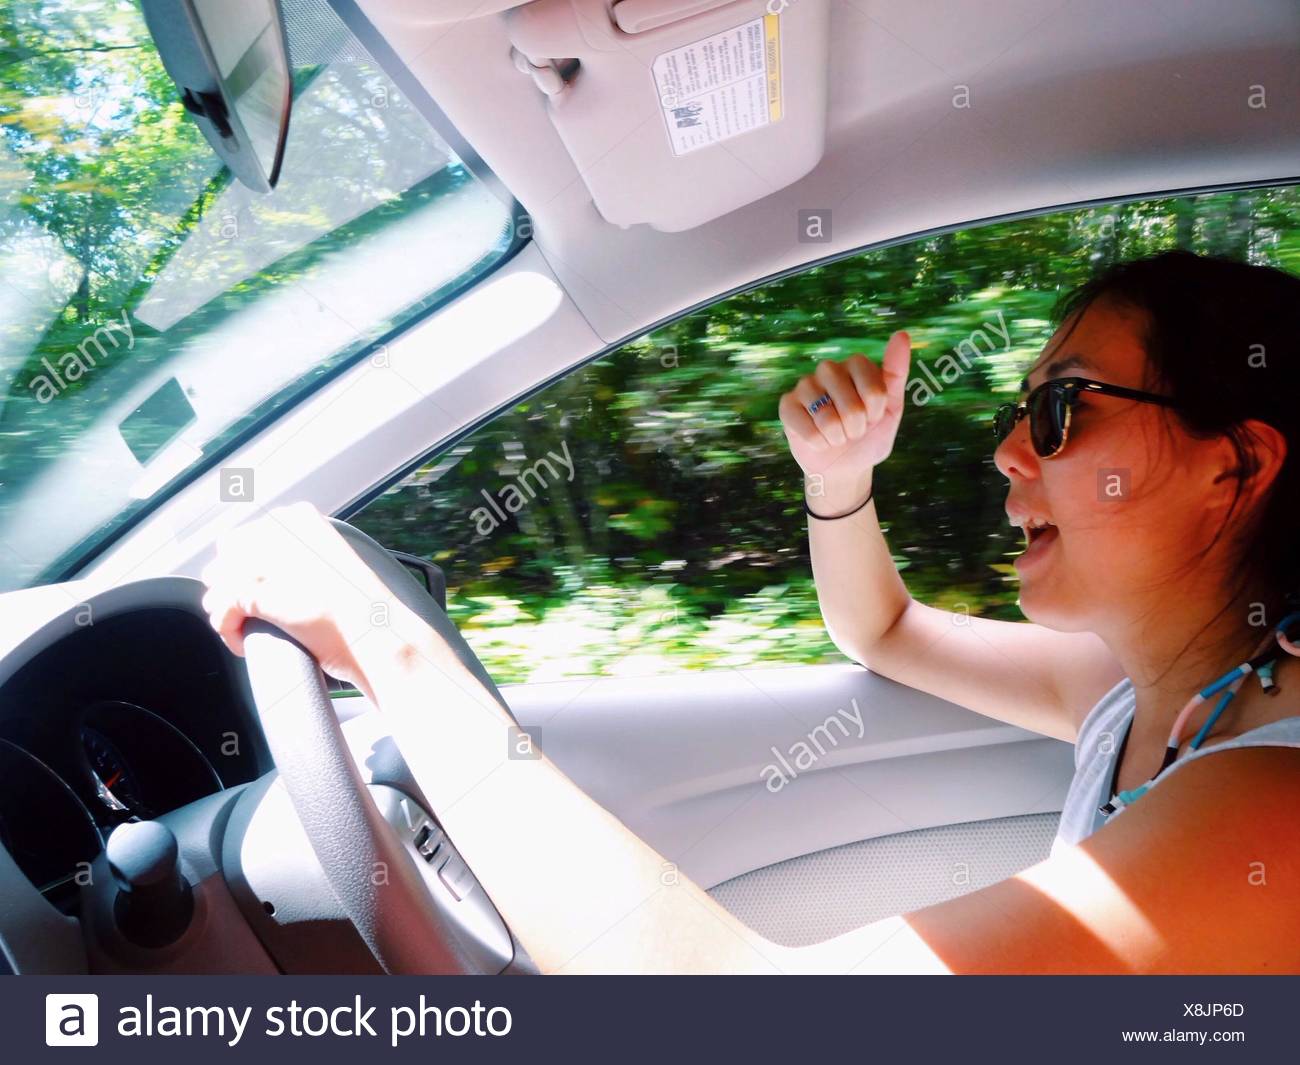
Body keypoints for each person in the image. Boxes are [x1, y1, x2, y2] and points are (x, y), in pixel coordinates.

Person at [201, 250, 1300, 973]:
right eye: (1021, 410)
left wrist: (394, 650)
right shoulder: (1136, 694)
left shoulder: (1273, 807)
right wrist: (840, 478)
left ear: (1235, 466)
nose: (1006, 451)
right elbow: (883, 633)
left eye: (1061, 408)